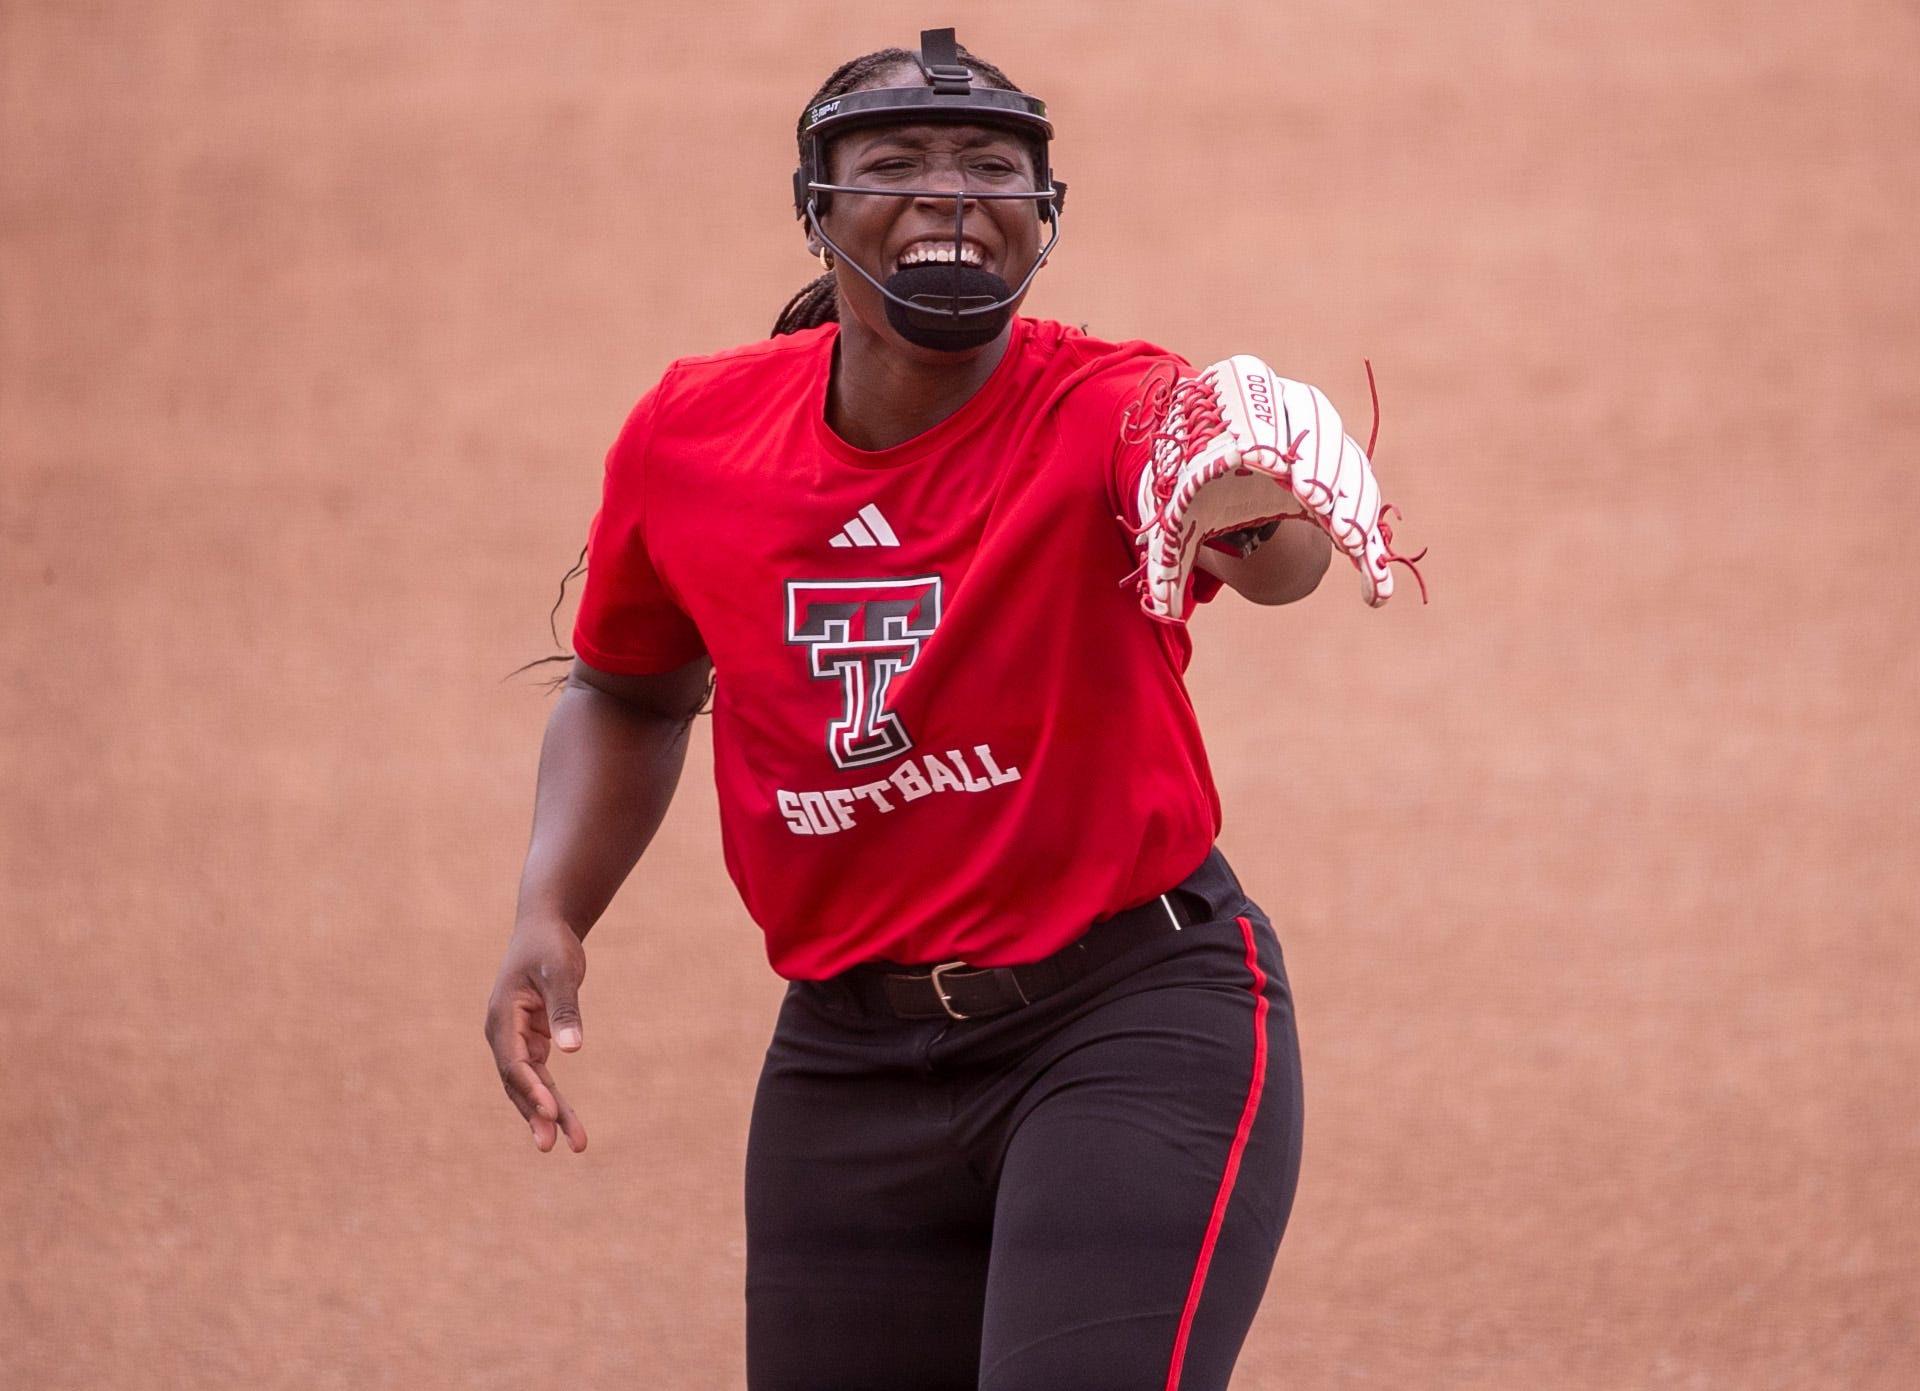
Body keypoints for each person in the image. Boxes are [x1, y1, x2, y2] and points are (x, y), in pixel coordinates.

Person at [485, 28, 1405, 1391]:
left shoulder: (1117, 406)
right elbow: (629, 690)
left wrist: (1252, 502)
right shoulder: (692, 436)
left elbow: (1269, 558)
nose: (950, 193)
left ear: (1042, 219)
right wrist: (551, 907)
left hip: (1129, 1018)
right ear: (816, 209)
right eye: (895, 162)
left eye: (993, 167)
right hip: (844, 1062)